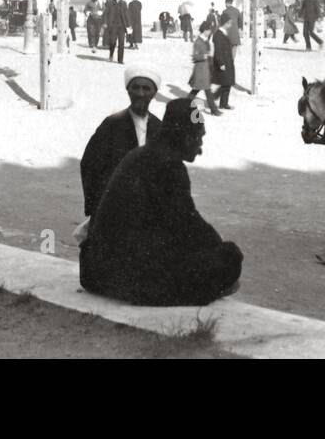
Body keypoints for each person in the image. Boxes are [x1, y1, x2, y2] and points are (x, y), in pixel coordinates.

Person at [79, 95, 242, 307]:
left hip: (95, 270)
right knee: (229, 258)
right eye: (199, 137)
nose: (200, 147)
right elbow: (188, 225)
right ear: (185, 138)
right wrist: (220, 247)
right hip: (127, 279)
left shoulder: (139, 155)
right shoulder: (169, 166)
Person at [79, 67, 164, 220]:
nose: (140, 93)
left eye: (146, 88)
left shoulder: (160, 129)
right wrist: (95, 207)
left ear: (154, 93)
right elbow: (90, 165)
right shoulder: (111, 125)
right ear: (128, 90)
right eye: (135, 87)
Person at [189, 19, 219, 115]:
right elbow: (194, 57)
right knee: (206, 89)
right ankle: (214, 110)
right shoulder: (198, 42)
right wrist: (204, 56)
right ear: (205, 30)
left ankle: (185, 104)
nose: (210, 32)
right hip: (200, 69)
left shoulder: (205, 40)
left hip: (206, 69)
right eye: (209, 30)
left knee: (197, 90)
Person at [211, 16, 237, 110]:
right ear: (225, 23)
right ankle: (221, 101)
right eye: (229, 23)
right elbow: (218, 50)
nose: (230, 25)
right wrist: (221, 63)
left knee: (227, 82)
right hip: (223, 62)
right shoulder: (218, 34)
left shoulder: (224, 33)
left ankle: (223, 103)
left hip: (227, 61)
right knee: (226, 82)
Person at [102, 0, 129, 64]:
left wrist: (129, 25)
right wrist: (105, 22)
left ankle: (120, 60)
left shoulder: (124, 3)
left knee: (121, 43)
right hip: (112, 26)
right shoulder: (110, 3)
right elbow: (105, 14)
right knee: (113, 42)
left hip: (121, 27)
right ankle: (111, 55)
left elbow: (127, 15)